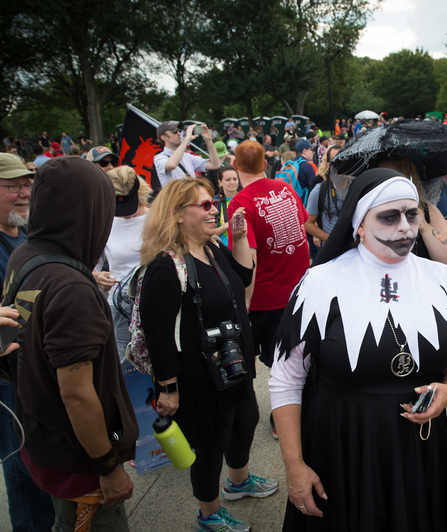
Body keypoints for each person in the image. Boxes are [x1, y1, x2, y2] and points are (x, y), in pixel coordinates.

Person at [269, 168, 447, 531]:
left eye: (411, 214)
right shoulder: (321, 283)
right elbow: (285, 378)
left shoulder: (441, 279)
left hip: (418, 447)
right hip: (343, 442)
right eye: (389, 216)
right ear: (359, 225)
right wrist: (294, 465)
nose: (405, 227)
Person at [5, 157, 139, 531]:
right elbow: (77, 394)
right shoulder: (70, 288)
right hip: (79, 463)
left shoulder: (26, 254)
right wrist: (109, 469)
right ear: (89, 212)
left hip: (42, 437)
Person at [139, 177, 277, 532]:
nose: (213, 208)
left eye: (212, 201)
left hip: (233, 365)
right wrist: (168, 387)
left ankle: (239, 481)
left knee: (244, 423)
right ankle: (209, 514)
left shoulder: (213, 248)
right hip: (200, 374)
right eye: (204, 204)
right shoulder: (165, 267)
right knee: (210, 445)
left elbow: (244, 276)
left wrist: (242, 237)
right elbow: (157, 336)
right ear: (177, 214)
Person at [227, 141, 310, 440]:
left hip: (266, 298)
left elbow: (249, 257)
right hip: (298, 289)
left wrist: (244, 305)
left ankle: (284, 418)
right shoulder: (285, 188)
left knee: (278, 362)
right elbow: (301, 230)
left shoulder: (239, 203)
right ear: (265, 163)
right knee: (294, 354)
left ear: (235, 167)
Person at [0, 154, 56, 531]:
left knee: (47, 465)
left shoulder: (28, 231)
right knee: (23, 472)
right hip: (7, 378)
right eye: (13, 186)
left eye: (27, 184)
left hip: (40, 367)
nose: (24, 193)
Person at [92, 166, 152, 363]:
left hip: (155, 301)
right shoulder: (101, 222)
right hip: (119, 308)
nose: (126, 213)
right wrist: (97, 276)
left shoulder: (156, 218)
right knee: (124, 363)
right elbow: (90, 263)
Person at [154, 121, 220, 187]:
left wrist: (208, 141)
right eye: (174, 131)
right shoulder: (159, 158)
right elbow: (171, 165)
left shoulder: (187, 156)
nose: (179, 133)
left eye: (179, 130)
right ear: (164, 137)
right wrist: (186, 140)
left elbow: (215, 165)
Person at [305, 145, 344, 249]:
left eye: (344, 158)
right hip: (331, 250)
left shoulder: (357, 186)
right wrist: (329, 238)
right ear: (328, 165)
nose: (341, 162)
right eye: (336, 160)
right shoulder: (319, 189)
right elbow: (308, 223)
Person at [213, 166, 240, 246]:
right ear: (220, 182)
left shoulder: (245, 198)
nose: (232, 182)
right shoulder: (215, 202)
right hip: (222, 249)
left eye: (235, 179)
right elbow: (207, 233)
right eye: (228, 180)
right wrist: (225, 226)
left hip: (242, 247)